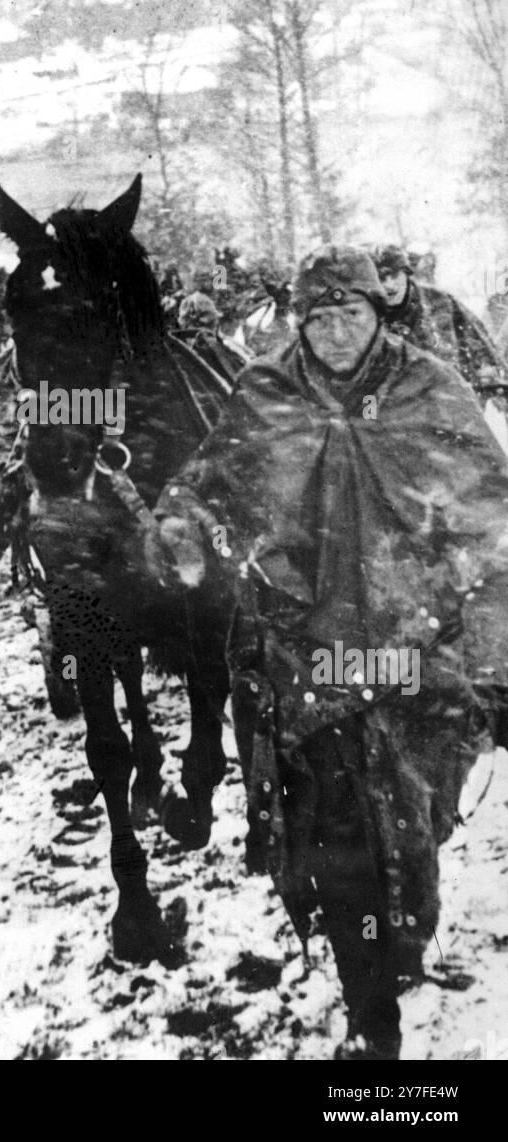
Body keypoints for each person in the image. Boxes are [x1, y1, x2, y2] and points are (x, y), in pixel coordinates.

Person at [148, 245, 508, 1060]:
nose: (336, 331)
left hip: (416, 653)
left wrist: (477, 635)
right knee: (330, 832)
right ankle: (370, 1013)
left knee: (411, 823)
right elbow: (209, 481)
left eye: (351, 314)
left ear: (379, 314)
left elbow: (491, 512)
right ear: (298, 323)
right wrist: (181, 525)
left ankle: (400, 939)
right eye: (319, 317)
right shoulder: (266, 393)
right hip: (306, 660)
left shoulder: (427, 388)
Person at [372, 244, 507, 399]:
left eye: (395, 275)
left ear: (406, 273)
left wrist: (489, 376)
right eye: (381, 278)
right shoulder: (366, 315)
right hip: (401, 410)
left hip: (455, 403)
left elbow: (480, 345)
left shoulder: (441, 302)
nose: (389, 285)